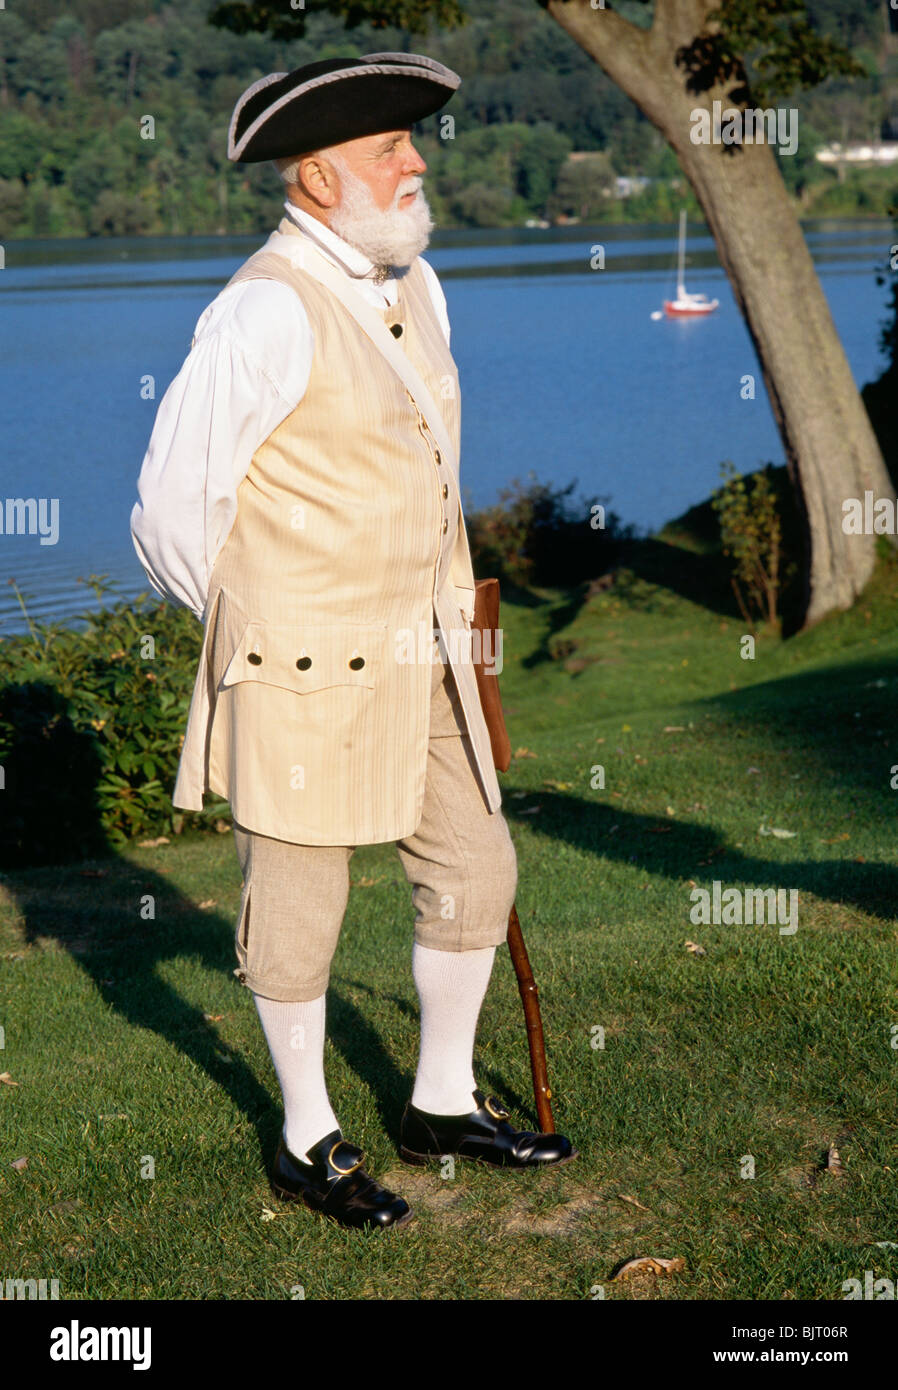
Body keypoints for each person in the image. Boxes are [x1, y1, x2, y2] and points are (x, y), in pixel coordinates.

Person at [130, 52, 575, 1232]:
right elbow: (170, 512)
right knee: (298, 909)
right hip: (302, 667)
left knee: (477, 867)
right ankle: (306, 1135)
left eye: (411, 142)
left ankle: (437, 1100)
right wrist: (261, 632)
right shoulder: (262, 308)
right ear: (321, 176)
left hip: (429, 644)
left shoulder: (415, 282)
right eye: (393, 148)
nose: (418, 160)